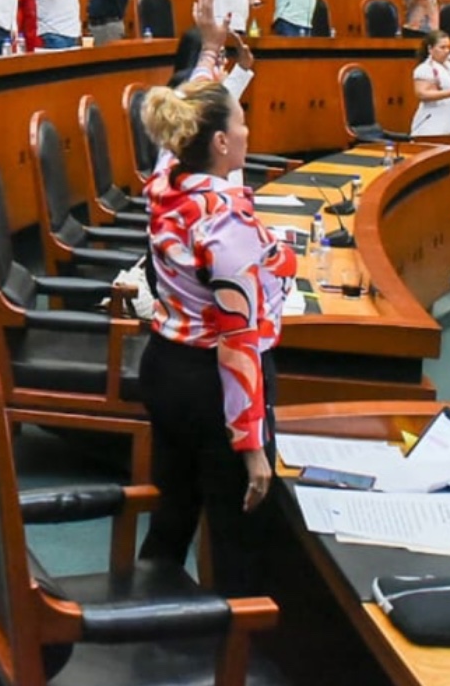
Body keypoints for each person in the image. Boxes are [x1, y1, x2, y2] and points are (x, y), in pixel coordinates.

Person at [134, 79, 298, 597]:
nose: (248, 129)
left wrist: (208, 52)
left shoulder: (166, 184)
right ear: (221, 143)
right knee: (237, 540)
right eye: (240, 121)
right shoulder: (226, 218)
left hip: (165, 366)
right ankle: (231, 660)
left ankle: (143, 635)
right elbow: (238, 336)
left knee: (171, 518)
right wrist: (250, 444)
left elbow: (177, 129)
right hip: (214, 389)